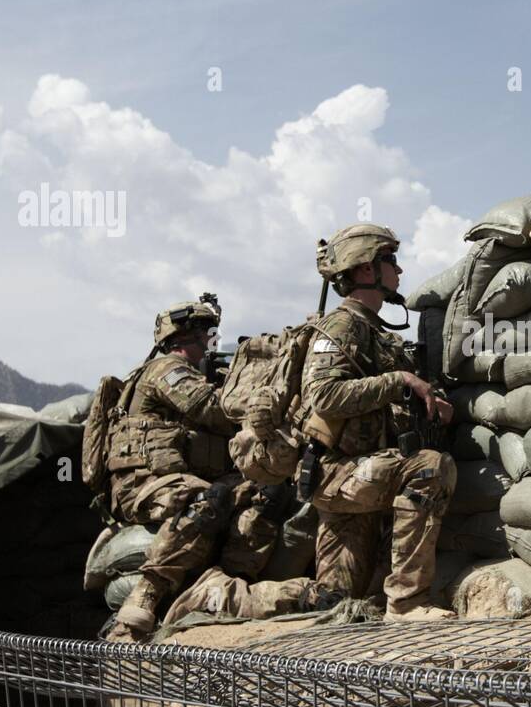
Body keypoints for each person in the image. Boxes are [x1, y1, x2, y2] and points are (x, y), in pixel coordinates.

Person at [105, 297, 318, 641]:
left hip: (175, 478)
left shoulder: (189, 372)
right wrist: (263, 390)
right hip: (143, 483)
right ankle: (145, 594)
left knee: (267, 489)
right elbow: (212, 410)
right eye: (207, 334)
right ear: (187, 336)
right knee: (208, 498)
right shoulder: (166, 370)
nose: (210, 342)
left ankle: (232, 584)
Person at [298, 223, 459, 622]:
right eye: (392, 261)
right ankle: (407, 603)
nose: (400, 272)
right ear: (367, 270)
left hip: (365, 472)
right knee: (430, 467)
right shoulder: (342, 325)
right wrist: (399, 380)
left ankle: (209, 595)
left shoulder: (373, 331)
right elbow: (324, 395)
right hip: (340, 474)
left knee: (337, 604)